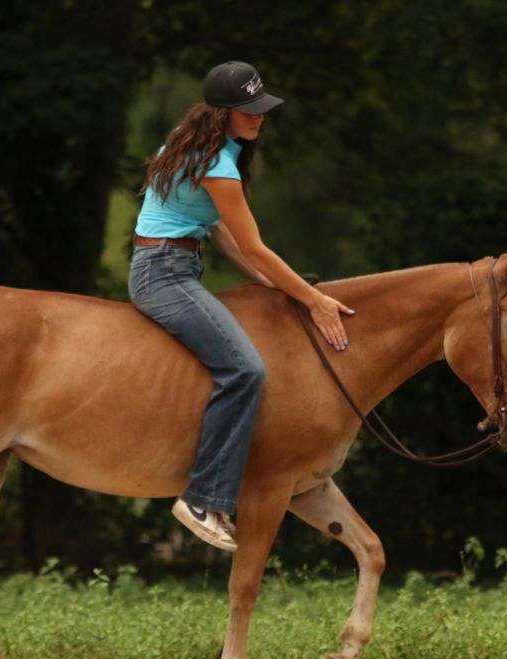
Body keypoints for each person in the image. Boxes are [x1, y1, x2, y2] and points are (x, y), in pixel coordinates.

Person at [129, 61, 354, 553]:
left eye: (262, 110)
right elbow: (254, 246)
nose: (259, 119)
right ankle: (201, 497)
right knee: (245, 369)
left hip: (169, 265)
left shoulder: (192, 146)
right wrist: (313, 299)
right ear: (222, 114)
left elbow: (217, 230)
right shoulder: (218, 165)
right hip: (163, 274)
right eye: (249, 112)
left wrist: (269, 283)